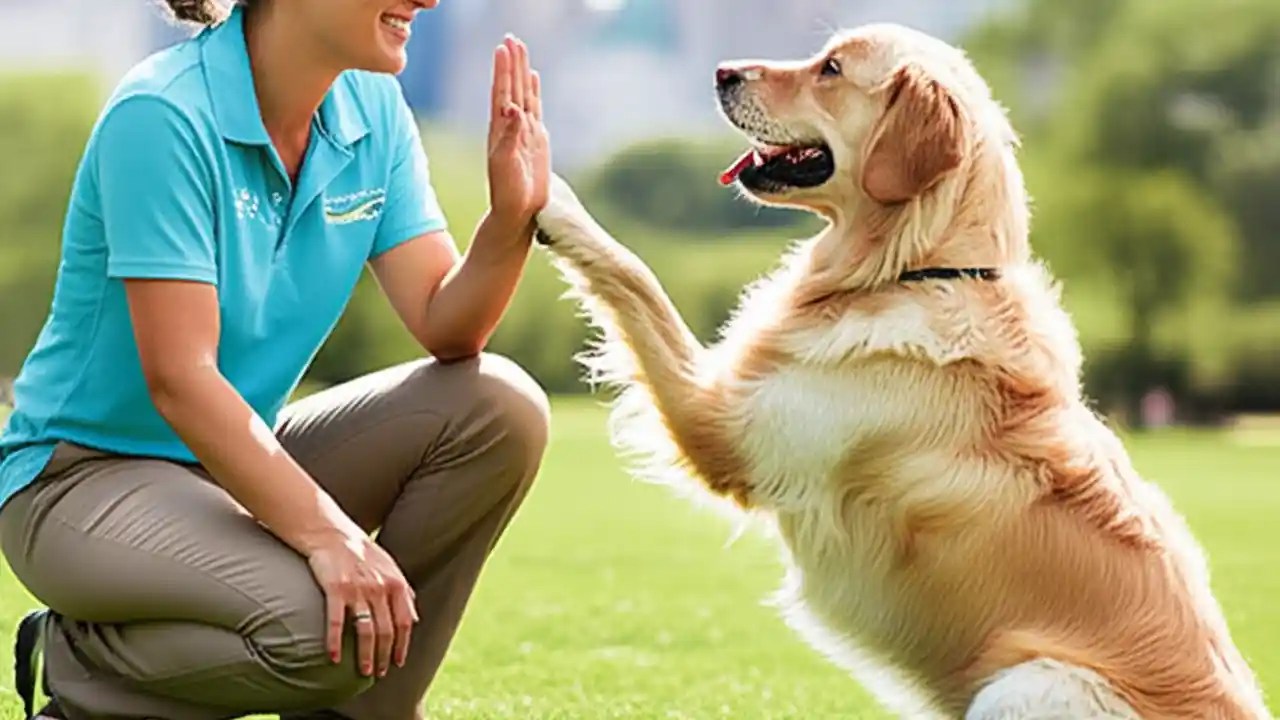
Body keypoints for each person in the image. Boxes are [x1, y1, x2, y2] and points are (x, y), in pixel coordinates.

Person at [0, 0, 552, 717]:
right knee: (333, 635)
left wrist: (508, 222)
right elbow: (182, 379)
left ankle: (366, 713)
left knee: (499, 409)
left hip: (230, 466)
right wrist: (331, 537)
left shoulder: (371, 108)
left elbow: (448, 325)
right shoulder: (163, 115)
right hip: (79, 479)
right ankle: (80, 660)